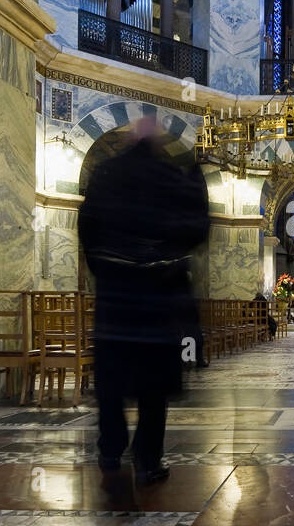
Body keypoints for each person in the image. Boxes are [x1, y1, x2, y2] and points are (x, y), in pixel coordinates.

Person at [78, 115, 210, 484]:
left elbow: (87, 227)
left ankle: (109, 449)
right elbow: (196, 228)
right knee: (154, 388)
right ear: (157, 144)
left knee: (111, 382)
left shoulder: (107, 174)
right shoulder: (170, 177)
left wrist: (103, 268)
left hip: (117, 297)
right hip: (159, 296)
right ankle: (147, 459)